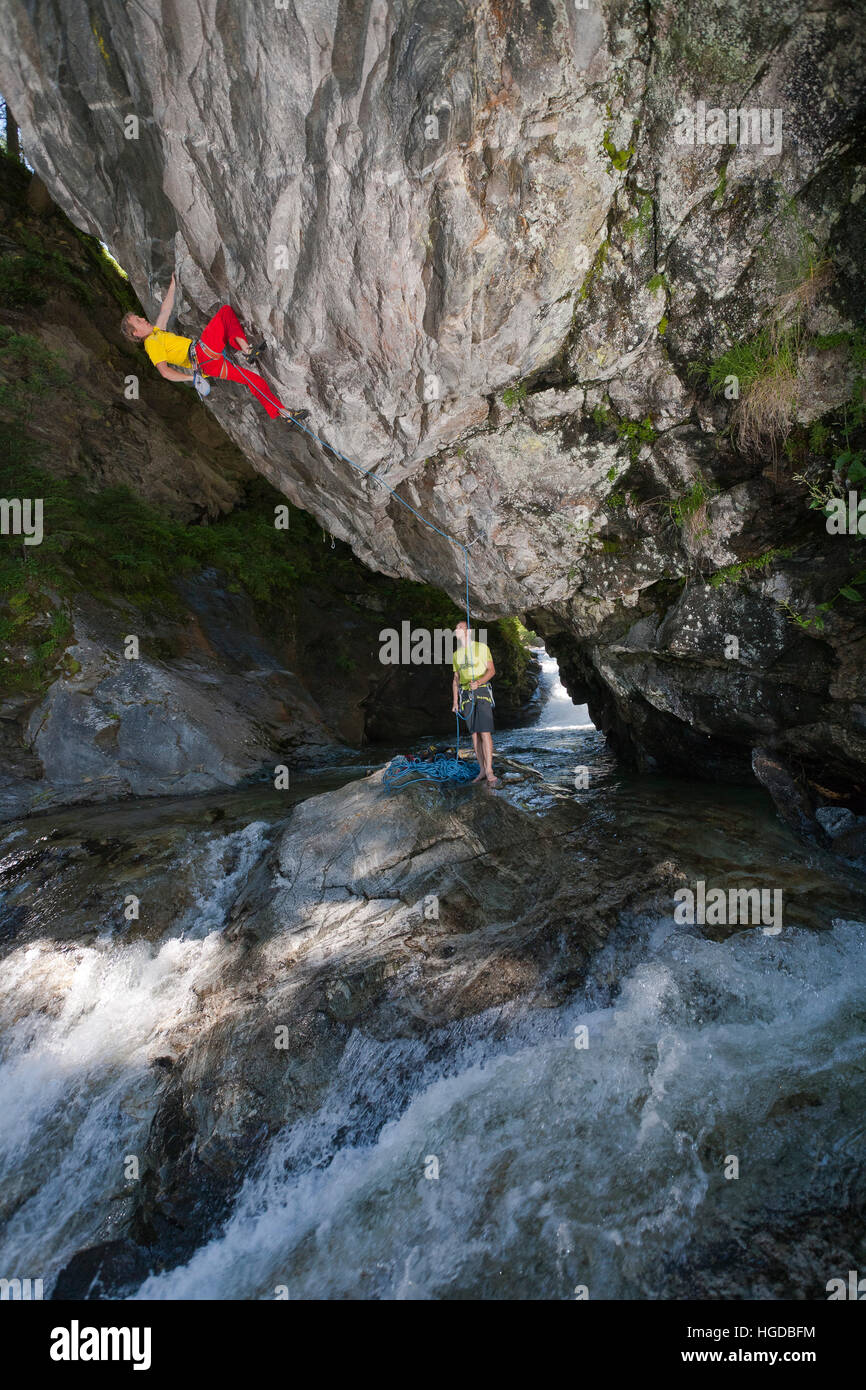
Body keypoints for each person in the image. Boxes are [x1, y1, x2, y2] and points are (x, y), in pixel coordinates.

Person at [120, 275, 308, 422]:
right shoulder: (151, 344)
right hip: (202, 354)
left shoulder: (156, 334)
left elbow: (165, 311)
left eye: (139, 317)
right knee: (225, 312)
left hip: (208, 366)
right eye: (138, 321)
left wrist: (173, 284)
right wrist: (191, 378)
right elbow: (164, 372)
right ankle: (246, 349)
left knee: (254, 380)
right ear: (136, 333)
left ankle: (283, 413)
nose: (142, 319)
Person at [452, 619, 498, 786]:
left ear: (468, 632)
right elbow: (455, 679)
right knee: (474, 734)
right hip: (465, 694)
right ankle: (481, 769)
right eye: (456, 628)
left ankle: (490, 770)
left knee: (484, 731)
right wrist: (455, 701)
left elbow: (491, 670)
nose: (456, 629)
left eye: (460, 627)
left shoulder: (481, 648)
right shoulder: (456, 655)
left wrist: (478, 682)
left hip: (482, 691)